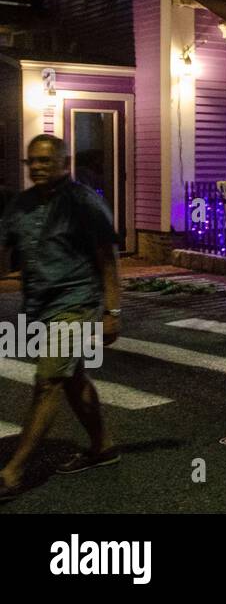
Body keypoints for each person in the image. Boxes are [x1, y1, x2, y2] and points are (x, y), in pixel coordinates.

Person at [1, 135, 123, 501]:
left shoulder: (84, 202)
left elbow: (107, 259)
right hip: (40, 305)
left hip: (76, 302)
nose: (37, 167)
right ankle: (102, 446)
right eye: (32, 161)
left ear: (63, 163)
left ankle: (12, 472)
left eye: (45, 160)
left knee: (48, 381)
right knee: (71, 378)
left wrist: (112, 312)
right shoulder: (21, 205)